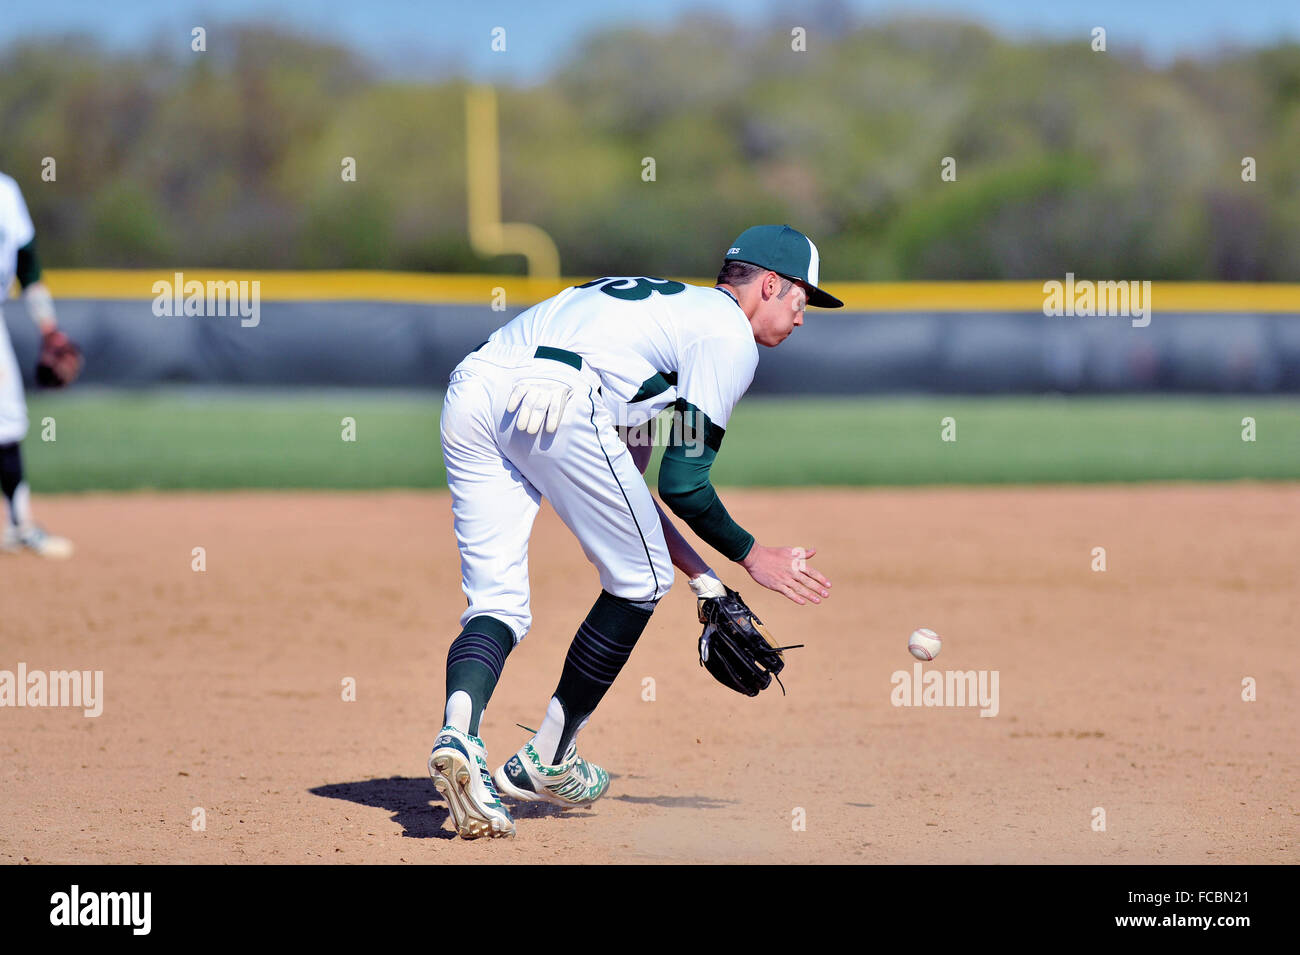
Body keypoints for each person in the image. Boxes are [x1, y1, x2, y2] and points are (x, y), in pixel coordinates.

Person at [429, 225, 840, 838]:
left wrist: (704, 581)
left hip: (476, 388)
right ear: (771, 285)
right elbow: (684, 486)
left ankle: (458, 735)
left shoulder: (664, 322)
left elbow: (632, 491)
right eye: (801, 300)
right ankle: (547, 758)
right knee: (639, 581)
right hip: (563, 400)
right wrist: (753, 557)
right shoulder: (728, 337)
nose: (802, 318)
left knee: (497, 602)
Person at [0, 172, 74, 559]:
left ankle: (18, 524)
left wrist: (50, 331)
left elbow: (28, 268)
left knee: (8, 422)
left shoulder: (7, 192)